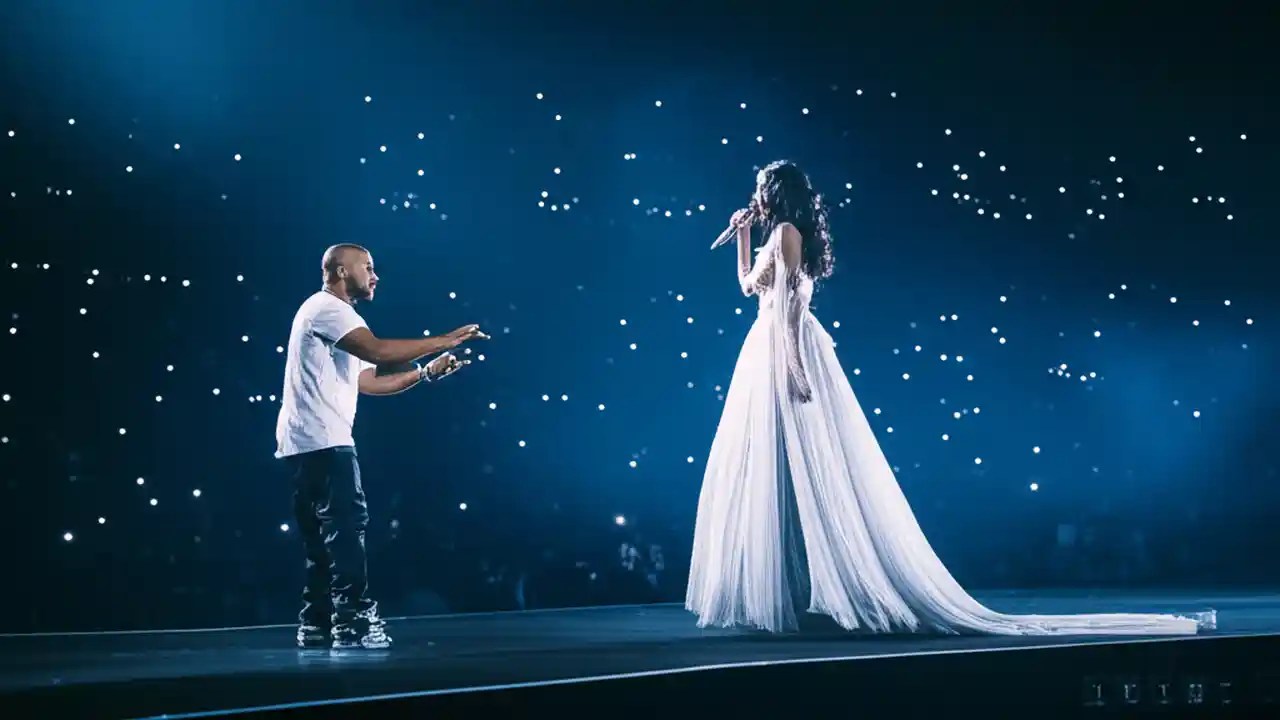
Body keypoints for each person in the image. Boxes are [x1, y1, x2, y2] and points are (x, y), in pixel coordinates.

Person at [685, 160, 1215, 636]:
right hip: (767, 350)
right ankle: (798, 589)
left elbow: (793, 304)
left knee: (804, 465)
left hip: (785, 351)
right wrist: (741, 236)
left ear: (775, 192)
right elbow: (750, 289)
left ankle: (818, 588)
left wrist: (796, 367)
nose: (753, 195)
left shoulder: (786, 231)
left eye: (759, 189)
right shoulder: (774, 232)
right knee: (777, 469)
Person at [275, 243, 488, 649]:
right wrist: (443, 341)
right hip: (324, 441)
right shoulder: (327, 308)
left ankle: (317, 621)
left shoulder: (341, 321)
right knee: (345, 531)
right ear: (340, 271)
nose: (376, 276)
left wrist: (425, 374)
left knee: (324, 539)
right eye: (367, 267)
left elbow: (368, 381)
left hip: (305, 442)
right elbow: (378, 351)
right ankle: (352, 620)